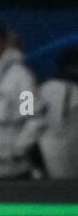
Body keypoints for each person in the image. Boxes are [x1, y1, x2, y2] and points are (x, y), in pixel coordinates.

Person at [0, 24, 42, 179]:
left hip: (15, 168)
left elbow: (33, 118)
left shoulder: (22, 78)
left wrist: (17, 151)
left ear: (3, 44)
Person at [37, 46, 78, 179]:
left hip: (44, 153)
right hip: (67, 154)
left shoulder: (39, 89)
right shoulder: (73, 91)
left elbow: (26, 120)